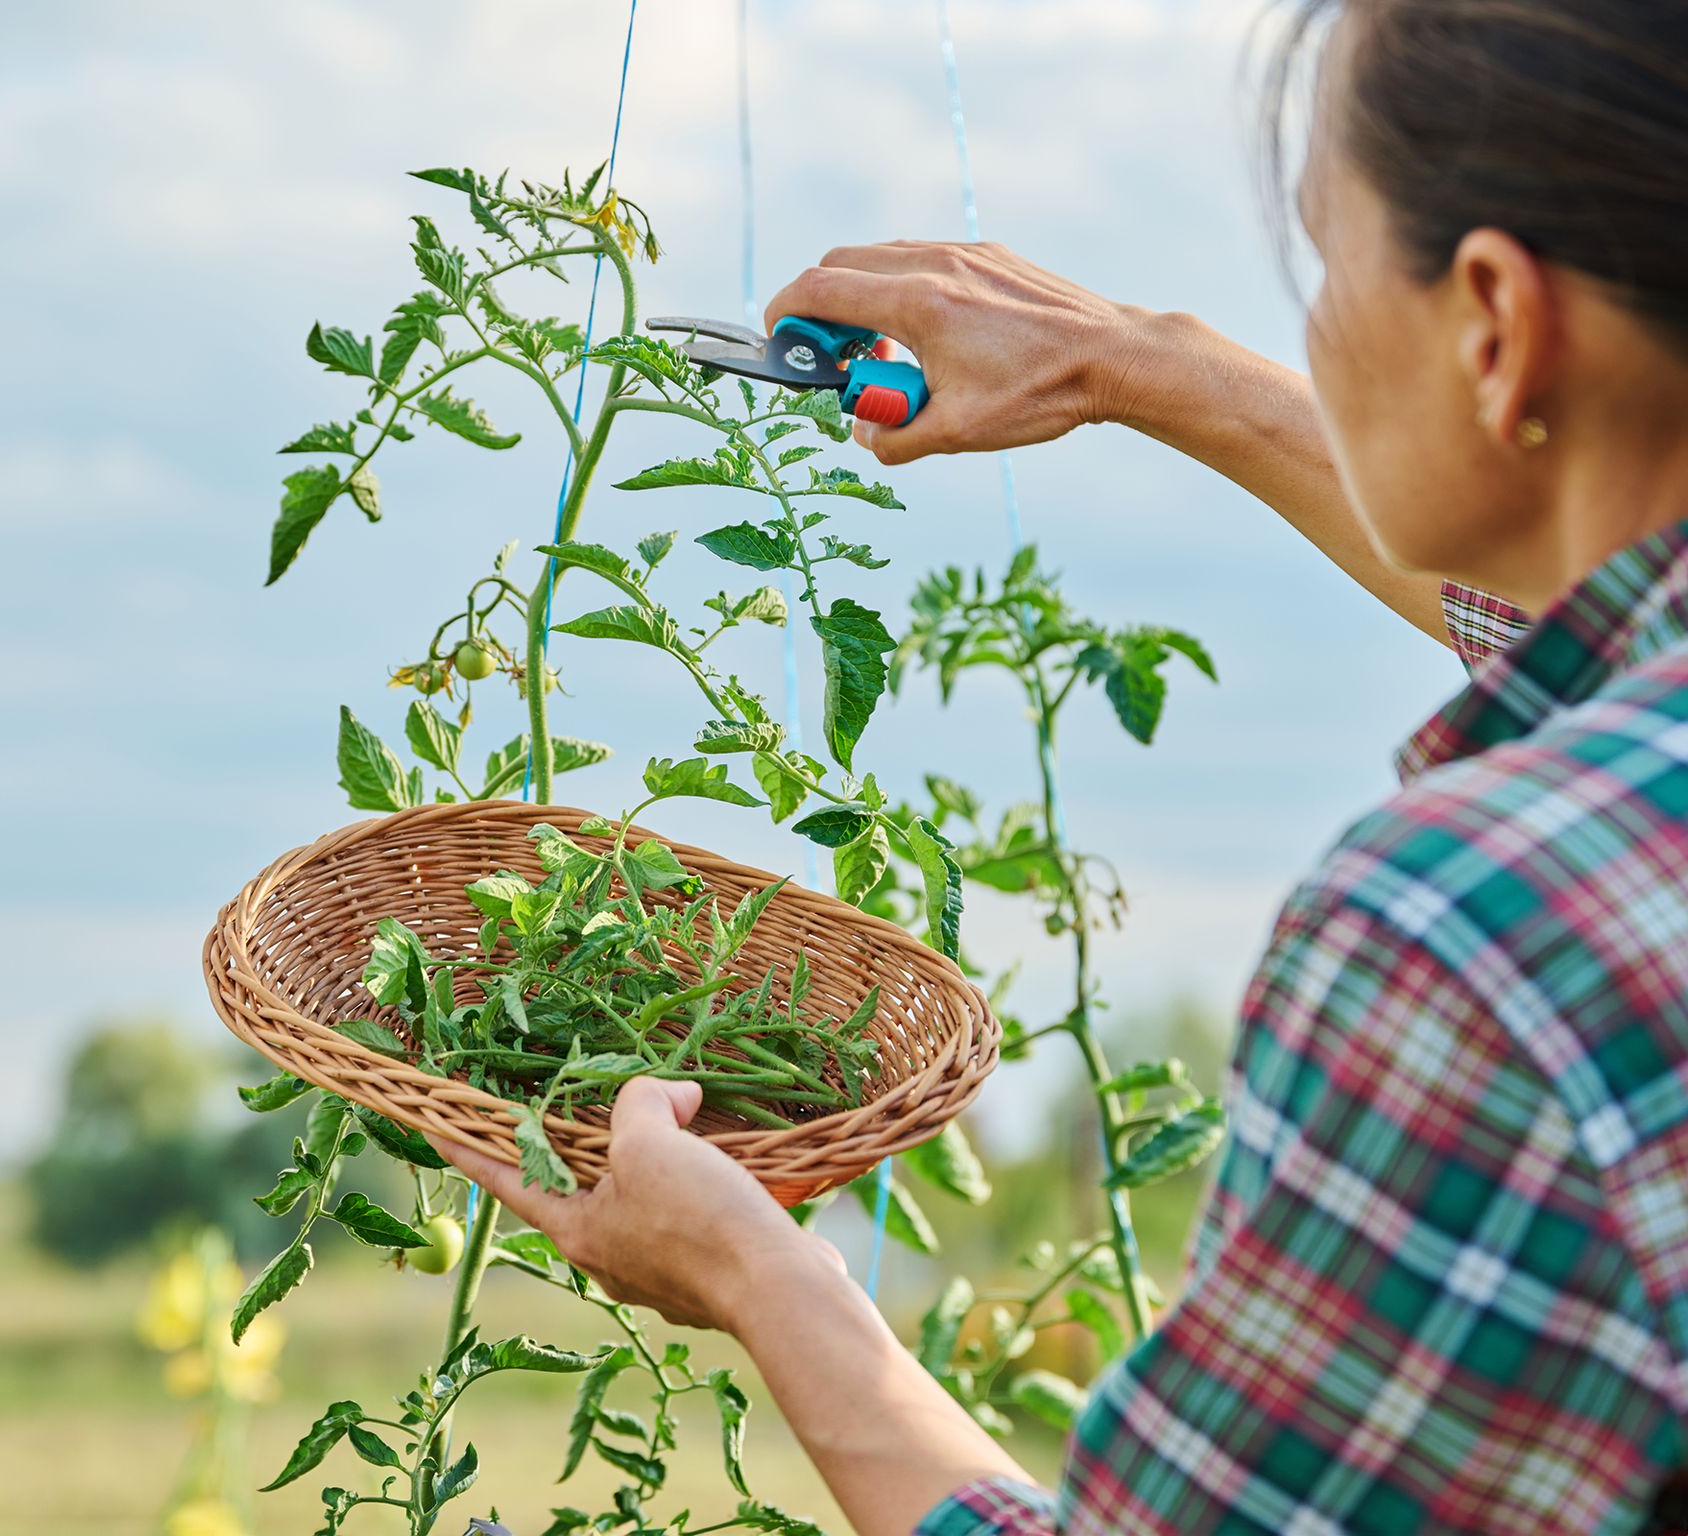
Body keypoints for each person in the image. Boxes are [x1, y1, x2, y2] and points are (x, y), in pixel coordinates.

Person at [438, 1, 1688, 1530]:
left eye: (1324, 258)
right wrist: (1133, 364)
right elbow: (1585, 628)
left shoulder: (1478, 934)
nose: (1314, 320)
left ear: (1490, 319)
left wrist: (759, 1275)